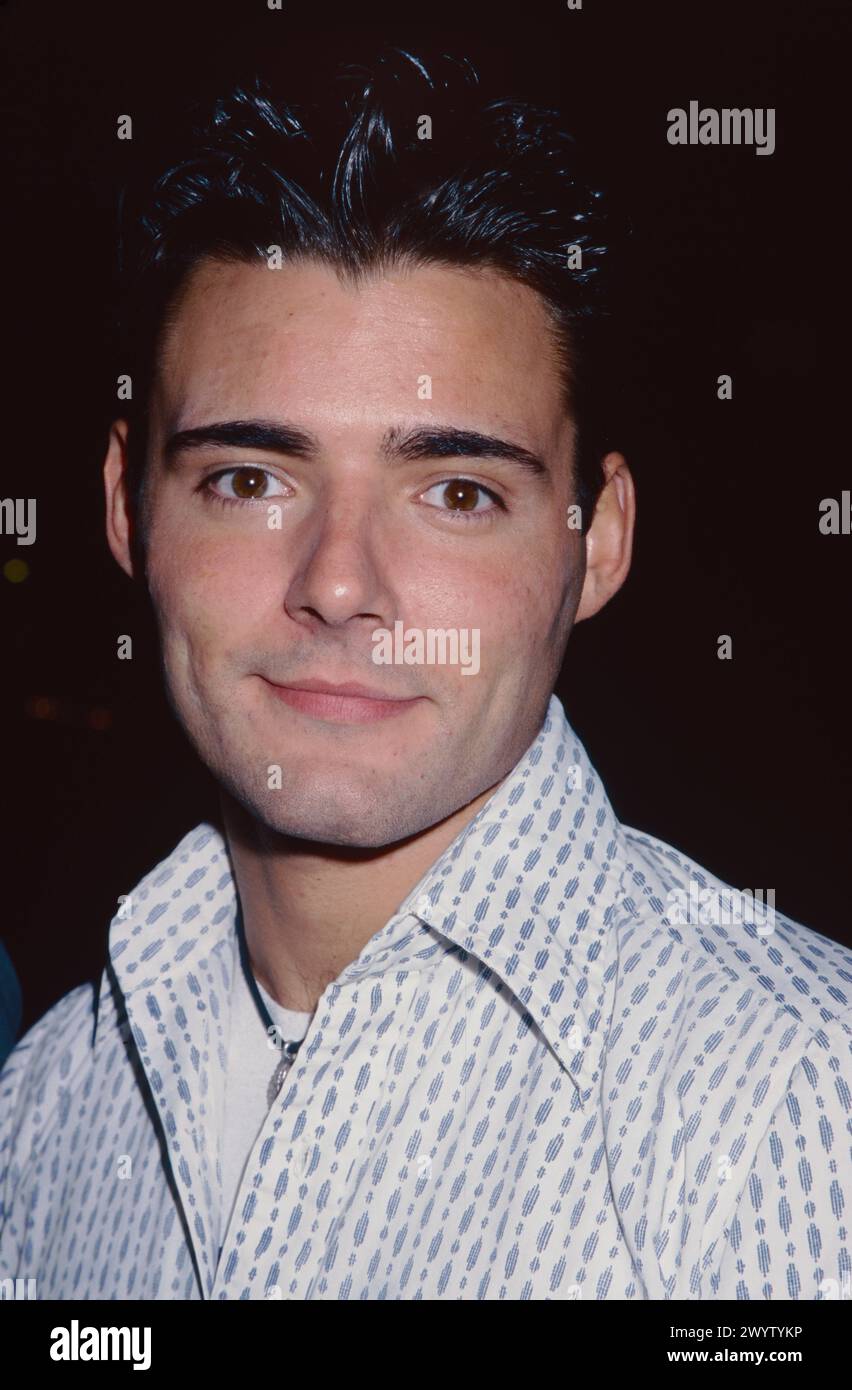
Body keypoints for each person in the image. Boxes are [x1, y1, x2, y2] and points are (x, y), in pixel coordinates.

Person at [1, 47, 849, 1302]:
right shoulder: (44, 1107)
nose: (340, 583)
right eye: (249, 479)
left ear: (596, 539)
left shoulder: (793, 1104)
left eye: (456, 492)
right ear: (129, 508)